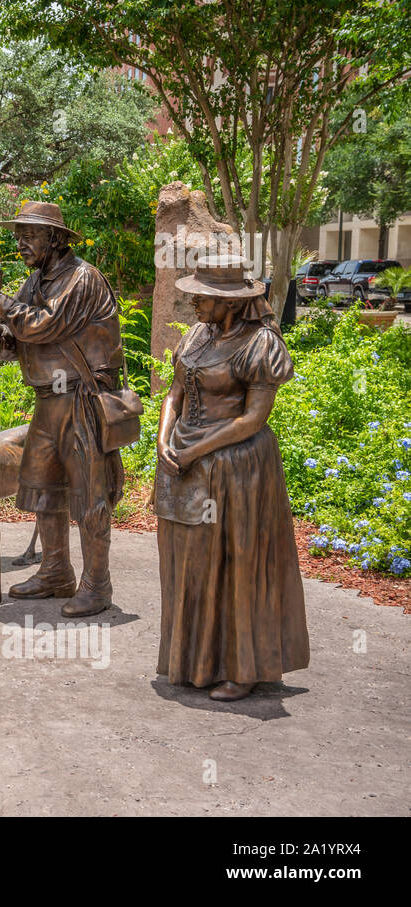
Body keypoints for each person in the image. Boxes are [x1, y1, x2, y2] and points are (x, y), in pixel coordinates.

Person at [154, 254, 309, 701]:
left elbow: (252, 420)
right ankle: (195, 661)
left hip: (238, 466)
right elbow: (175, 393)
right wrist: (166, 440)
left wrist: (196, 448)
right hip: (186, 462)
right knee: (189, 562)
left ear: (230, 302)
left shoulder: (260, 344)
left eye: (202, 298)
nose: (194, 304)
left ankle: (242, 667)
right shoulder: (198, 336)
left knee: (237, 563)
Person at [0, 201, 125, 618]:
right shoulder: (33, 282)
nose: (21, 243)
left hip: (82, 399)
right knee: (45, 490)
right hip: (48, 400)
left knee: (89, 494)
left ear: (55, 239)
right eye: (18, 235)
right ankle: (56, 570)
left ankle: (97, 584)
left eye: (31, 235)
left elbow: (44, 325)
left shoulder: (82, 278)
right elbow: (14, 340)